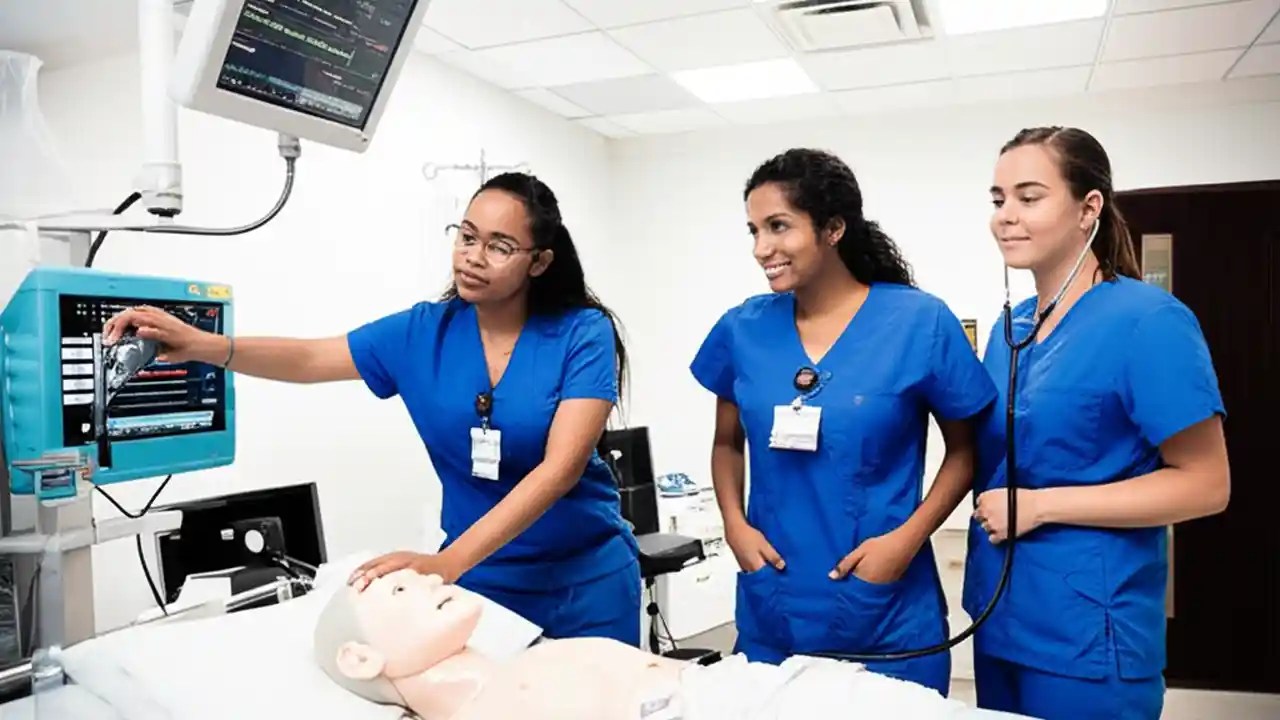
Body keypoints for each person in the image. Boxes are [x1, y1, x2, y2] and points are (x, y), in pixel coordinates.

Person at [102, 172, 643, 645]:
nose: (474, 257)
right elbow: (314, 357)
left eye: (500, 247)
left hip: (583, 576)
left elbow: (560, 469)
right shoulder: (422, 332)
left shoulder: (582, 333)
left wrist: (447, 563)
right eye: (468, 236)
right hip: (482, 580)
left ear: (540, 262)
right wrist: (205, 345)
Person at [688, 148, 998, 696]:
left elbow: (965, 451)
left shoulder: (918, 322)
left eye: (779, 227)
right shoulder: (743, 329)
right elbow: (726, 443)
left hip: (884, 606)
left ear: (833, 228)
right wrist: (734, 524)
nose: (762, 249)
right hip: (773, 606)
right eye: (754, 230)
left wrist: (907, 538)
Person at [963, 126, 1231, 720]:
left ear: (1089, 209)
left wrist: (1041, 506)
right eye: (998, 198)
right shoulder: (1012, 331)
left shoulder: (1148, 320)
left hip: (1088, 636)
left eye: (1029, 197)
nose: (1006, 215)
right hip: (999, 617)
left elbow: (1207, 484)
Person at [312, 567, 988, 720]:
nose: (428, 575)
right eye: (398, 592)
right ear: (360, 658)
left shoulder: (514, 663)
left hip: (769, 689)